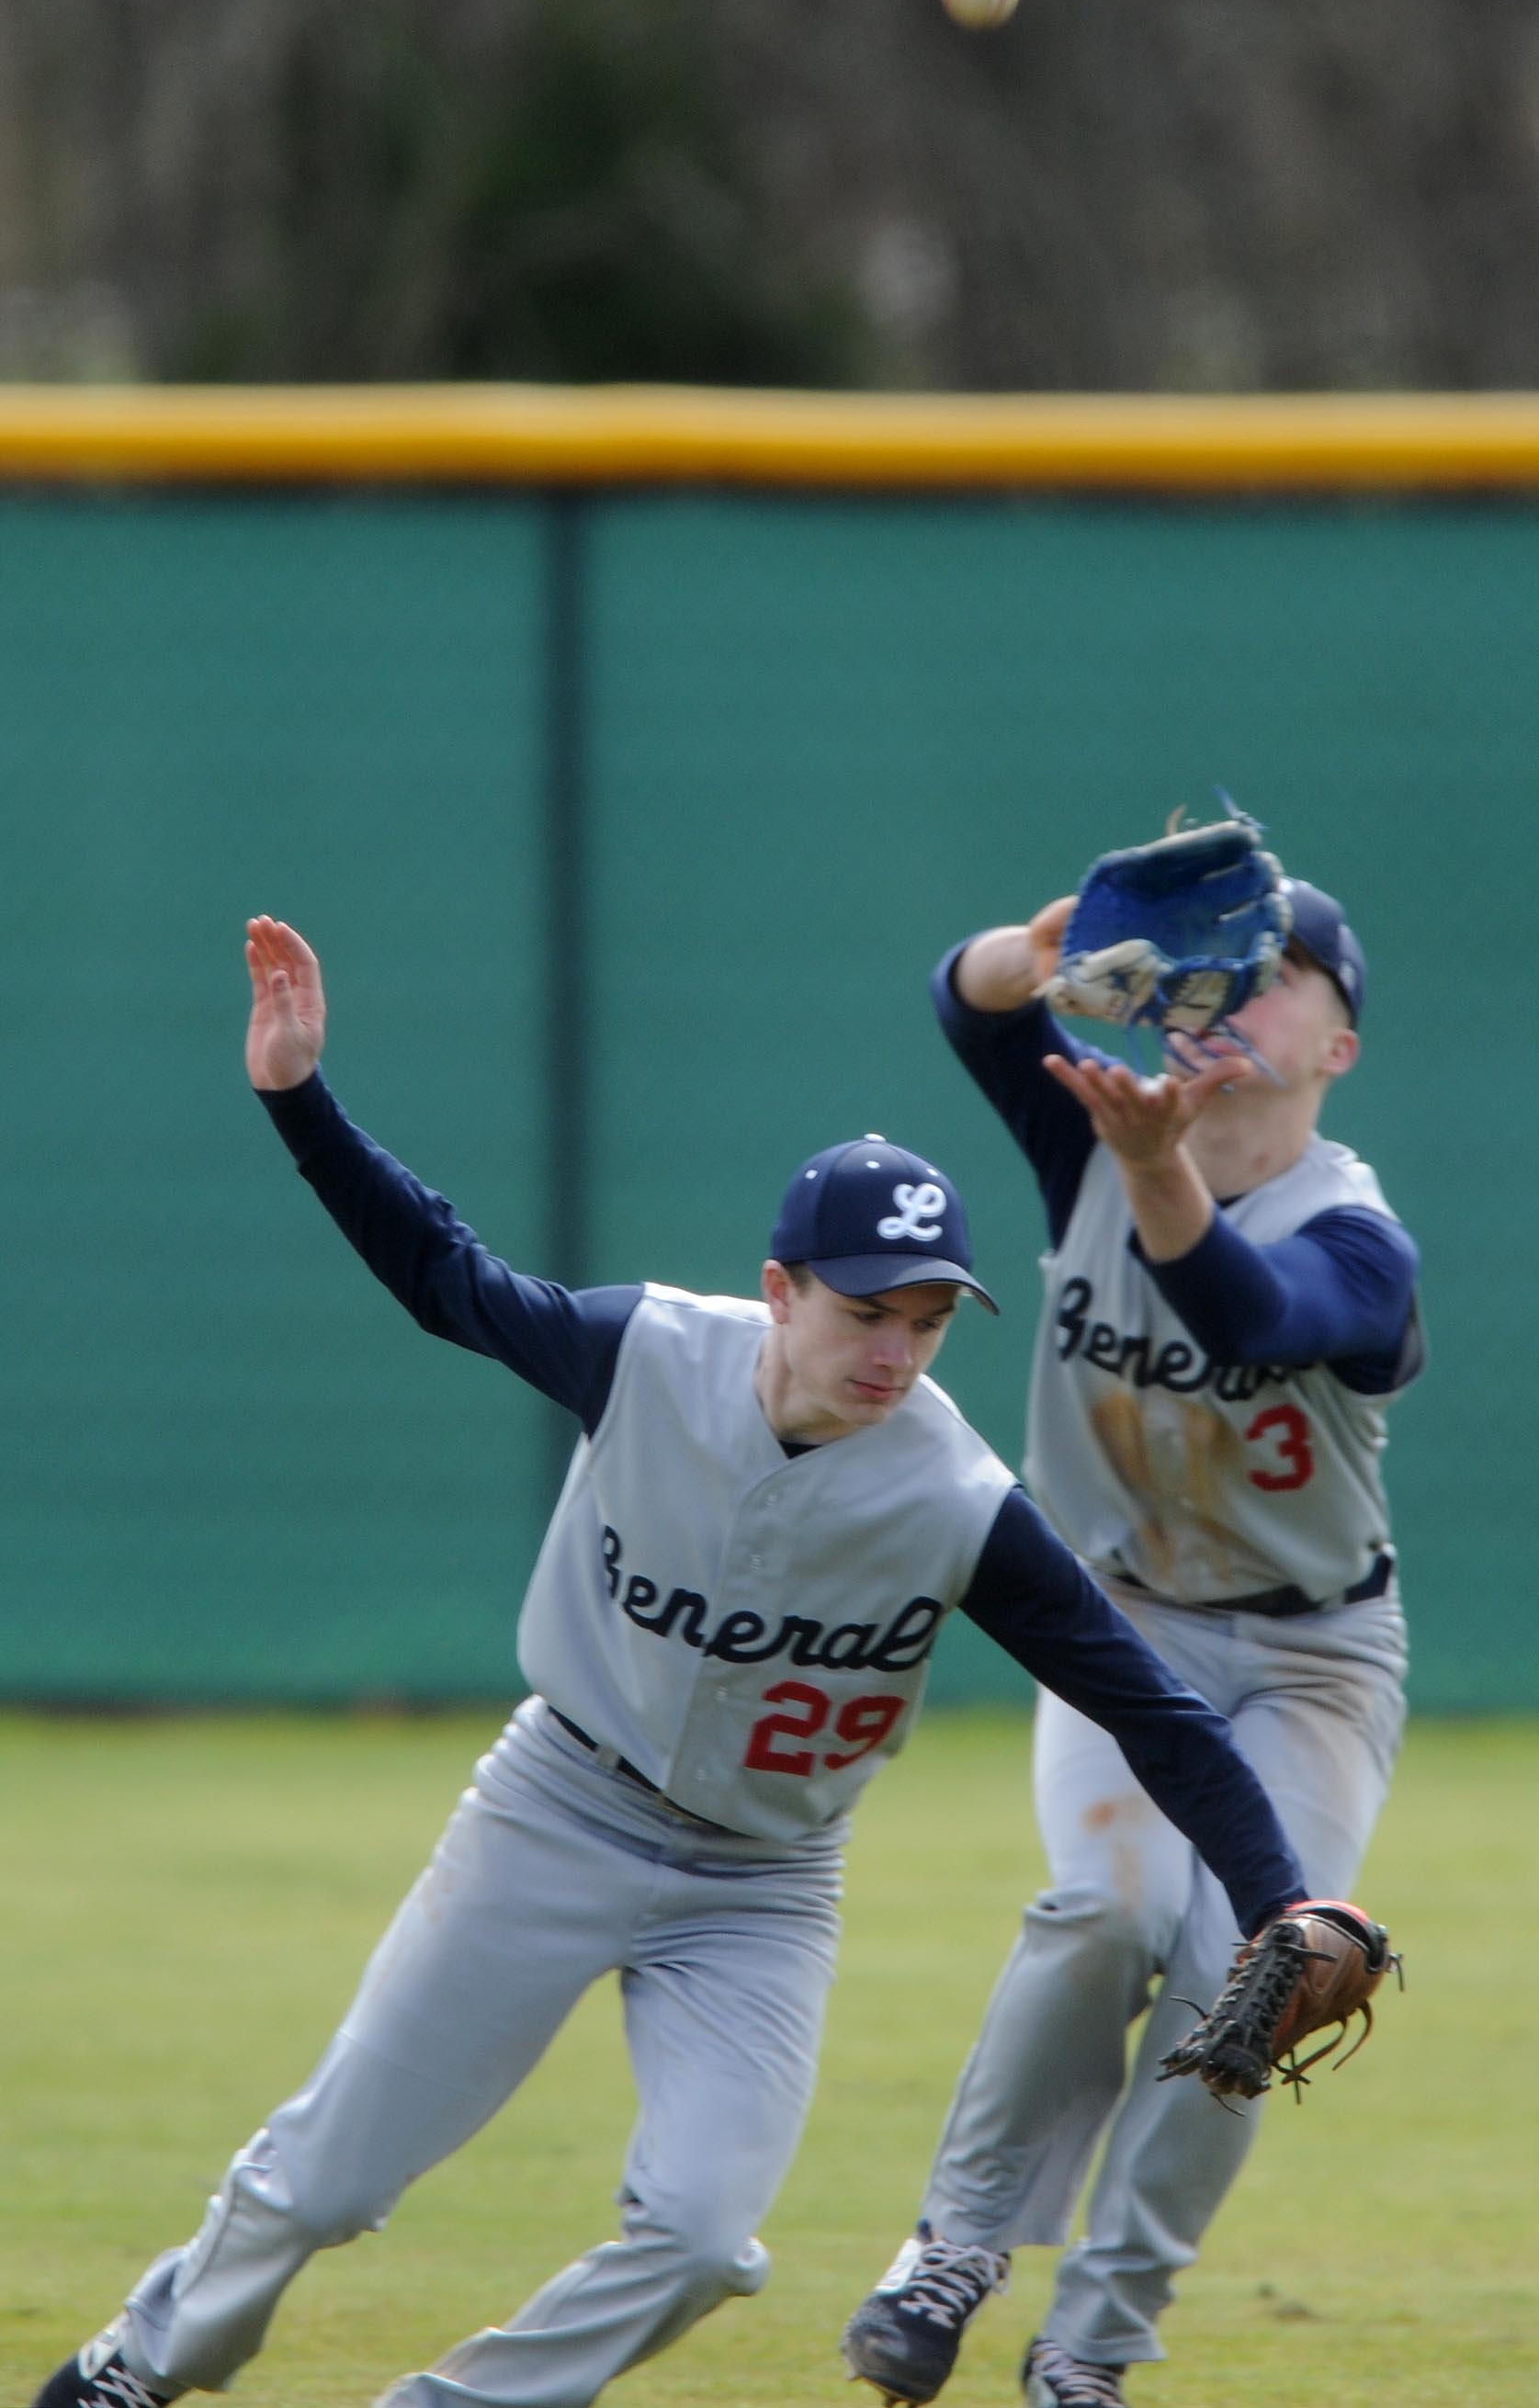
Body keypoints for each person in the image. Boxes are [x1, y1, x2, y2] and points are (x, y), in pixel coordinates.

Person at [33, 913, 1316, 2408]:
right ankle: (144, 2358)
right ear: (780, 1288)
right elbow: (443, 1274)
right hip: (556, 1812)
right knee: (328, 2179)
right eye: (864, 1310)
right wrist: (298, 1098)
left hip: (762, 1889)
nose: (895, 1351)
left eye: (926, 1320)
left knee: (704, 2241)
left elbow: (1153, 1711)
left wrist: (1288, 1900)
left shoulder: (957, 1499)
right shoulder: (643, 1352)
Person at [841, 876, 1420, 2408]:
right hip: (1131, 1624)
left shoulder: (1361, 1243)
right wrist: (1029, 956)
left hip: (1312, 1657)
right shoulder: (1102, 1133)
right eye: (1227, 962)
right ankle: (952, 2250)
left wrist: (1156, 1166)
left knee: (1260, 1972)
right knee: (1103, 1911)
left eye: (1283, 971)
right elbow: (968, 1006)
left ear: (1340, 1048)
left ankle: (1091, 2344)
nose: (1240, 988)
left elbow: (1250, 1317)